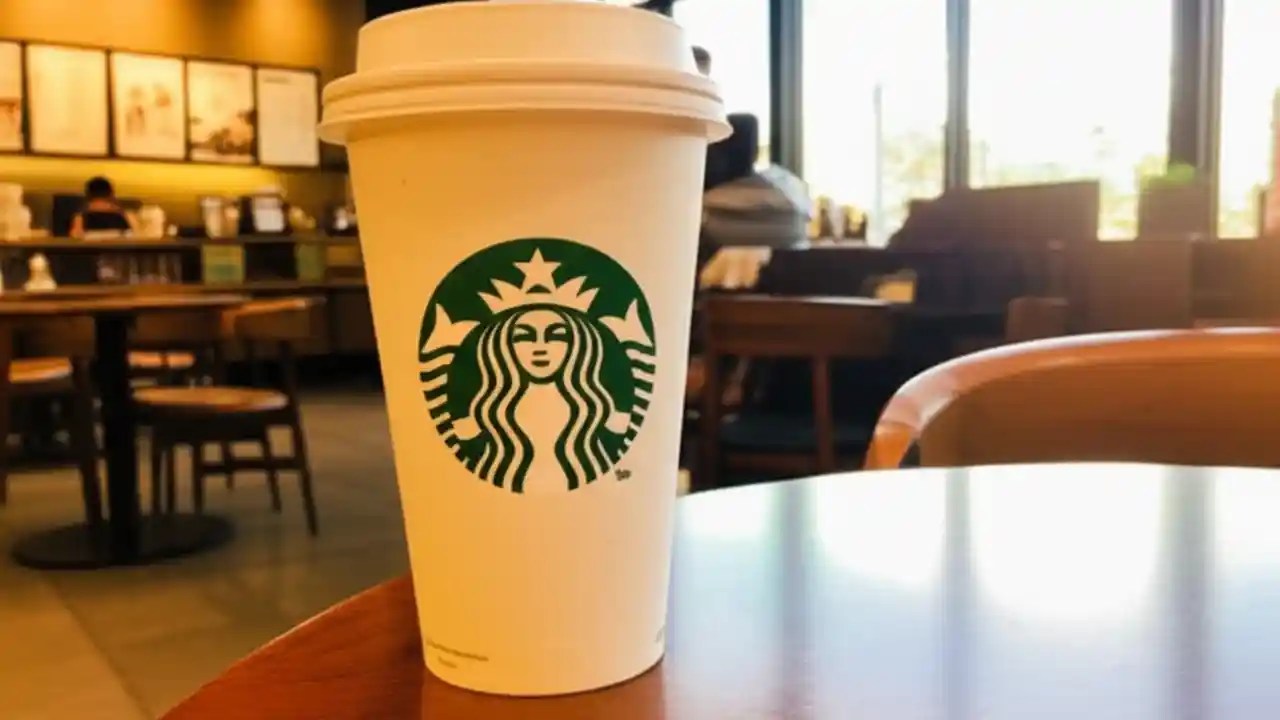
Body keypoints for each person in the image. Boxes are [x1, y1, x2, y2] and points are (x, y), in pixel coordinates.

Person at [70, 176, 136, 237]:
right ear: (111, 194)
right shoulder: (125, 216)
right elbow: (139, 238)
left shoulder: (80, 218)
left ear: (88, 196)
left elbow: (76, 238)